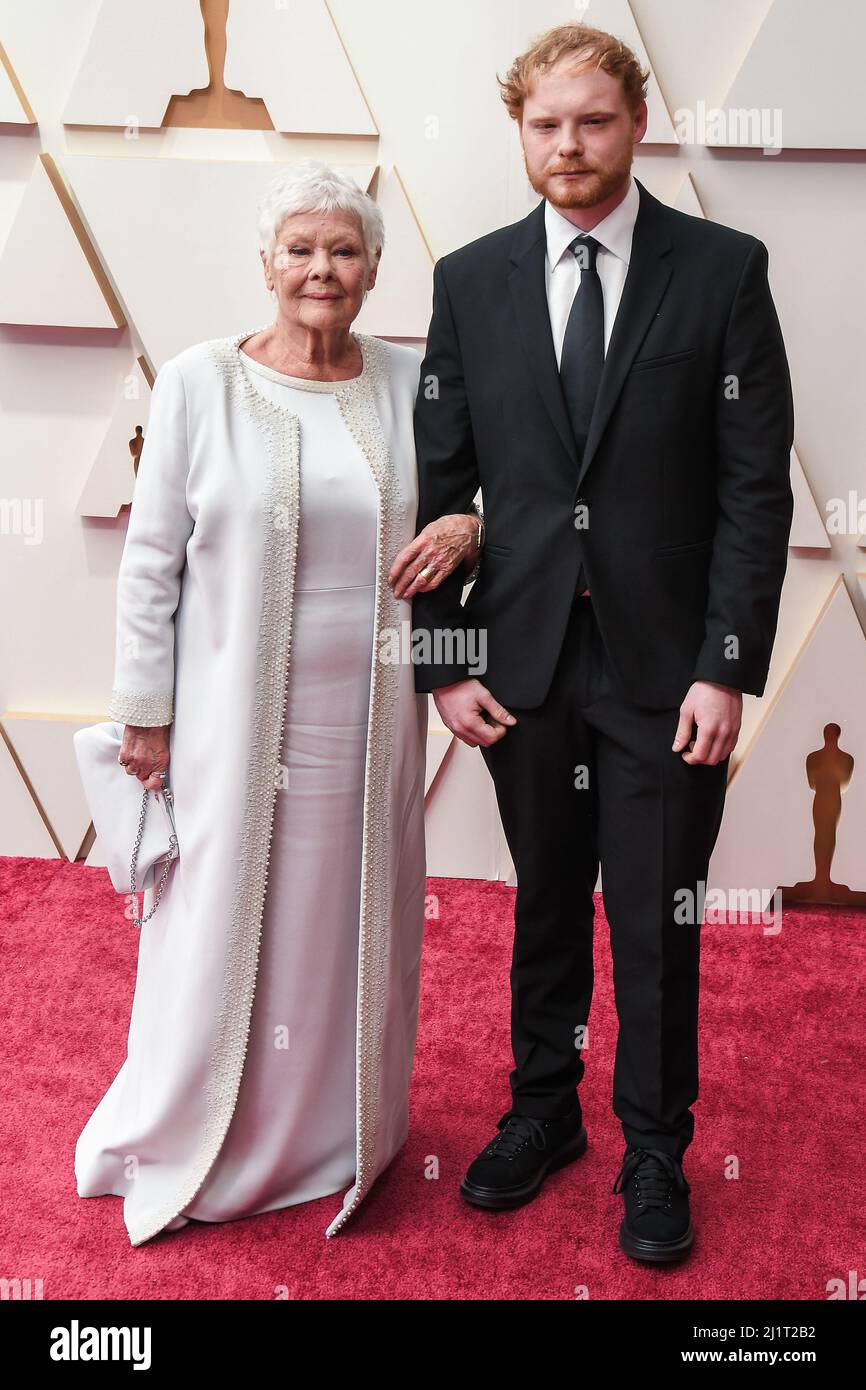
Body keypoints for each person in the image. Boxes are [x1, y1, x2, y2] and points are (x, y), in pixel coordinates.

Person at [404, 22, 794, 1264]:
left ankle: (653, 1148)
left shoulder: (722, 270)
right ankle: (540, 1113)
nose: (565, 147)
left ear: (635, 124)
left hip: (666, 669)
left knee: (655, 913)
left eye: (589, 121)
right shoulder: (467, 281)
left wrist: (726, 664)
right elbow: (444, 485)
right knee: (543, 903)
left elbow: (753, 492)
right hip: (519, 661)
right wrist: (442, 659)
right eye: (542, 125)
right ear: (517, 133)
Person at [74, 159, 479, 1246]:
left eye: (342, 250)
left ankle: (336, 1130)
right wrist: (144, 712)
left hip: (371, 725)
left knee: (343, 920)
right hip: (230, 724)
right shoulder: (202, 381)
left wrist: (472, 528)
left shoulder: (411, 381)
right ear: (265, 263)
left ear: (374, 267)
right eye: (298, 248)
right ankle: (208, 1129)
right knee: (220, 920)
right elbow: (151, 560)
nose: (320, 269)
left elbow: (461, 517)